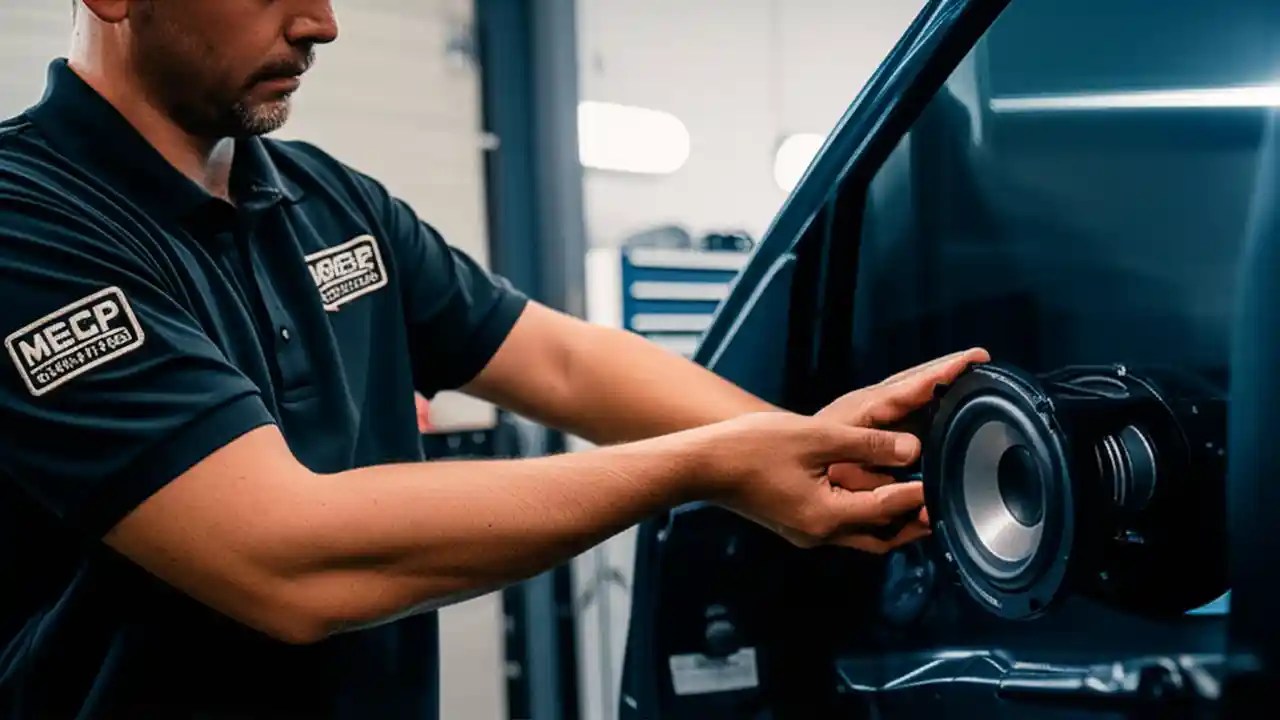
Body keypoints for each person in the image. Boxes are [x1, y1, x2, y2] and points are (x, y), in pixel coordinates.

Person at [0, 1, 989, 718]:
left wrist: (812, 447)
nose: (321, 23)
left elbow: (559, 363)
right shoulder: (27, 224)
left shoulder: (329, 201)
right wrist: (708, 467)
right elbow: (281, 556)